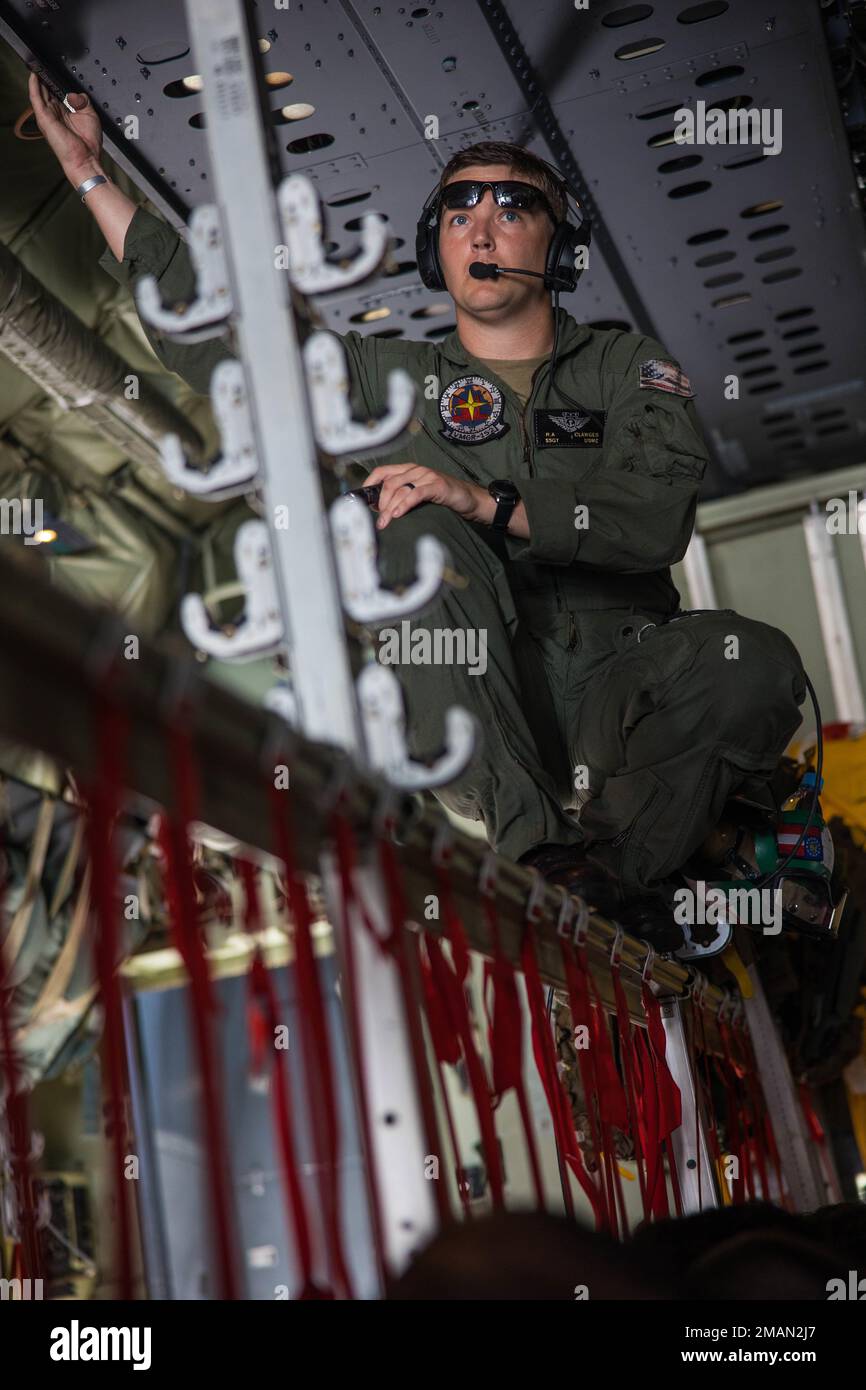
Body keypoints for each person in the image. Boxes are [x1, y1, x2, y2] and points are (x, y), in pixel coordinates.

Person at [29, 74, 807, 947]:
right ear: (434, 246)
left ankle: (610, 887)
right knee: (406, 523)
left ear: (557, 248)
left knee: (757, 665)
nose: (480, 225)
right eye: (458, 210)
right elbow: (228, 342)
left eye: (513, 208)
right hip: (471, 701)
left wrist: (487, 499)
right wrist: (95, 181)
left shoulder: (625, 368)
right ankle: (547, 855)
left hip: (614, 699)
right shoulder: (388, 378)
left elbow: (653, 516)